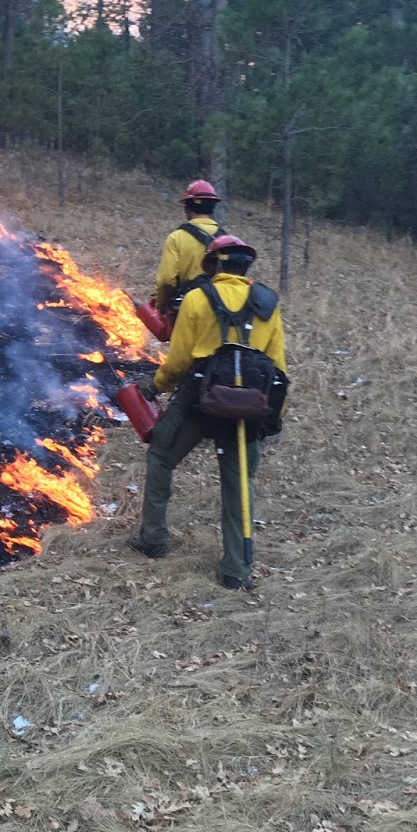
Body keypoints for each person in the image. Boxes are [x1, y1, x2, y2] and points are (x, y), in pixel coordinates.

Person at [127, 234, 286, 591]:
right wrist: (273, 415)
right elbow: (278, 367)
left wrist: (154, 386)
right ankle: (236, 570)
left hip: (199, 399)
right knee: (238, 482)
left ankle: (153, 539)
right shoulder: (268, 303)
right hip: (247, 408)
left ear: (213, 265)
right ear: (246, 267)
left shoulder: (198, 299)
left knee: (162, 455)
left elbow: (180, 361)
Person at [152, 180, 225, 331]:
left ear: (187, 207)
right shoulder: (226, 240)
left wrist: (161, 306)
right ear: (212, 207)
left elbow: (166, 280)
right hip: (220, 313)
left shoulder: (176, 238)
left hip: (187, 311)